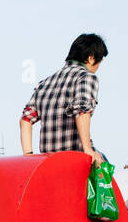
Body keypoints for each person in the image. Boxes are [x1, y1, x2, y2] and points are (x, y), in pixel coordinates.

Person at [19, 33, 108, 163]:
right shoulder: (86, 77)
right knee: (105, 166)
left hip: (49, 163)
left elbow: (25, 120)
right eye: (99, 62)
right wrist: (87, 149)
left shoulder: (45, 83)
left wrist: (28, 156)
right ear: (91, 59)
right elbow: (81, 111)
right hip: (75, 159)